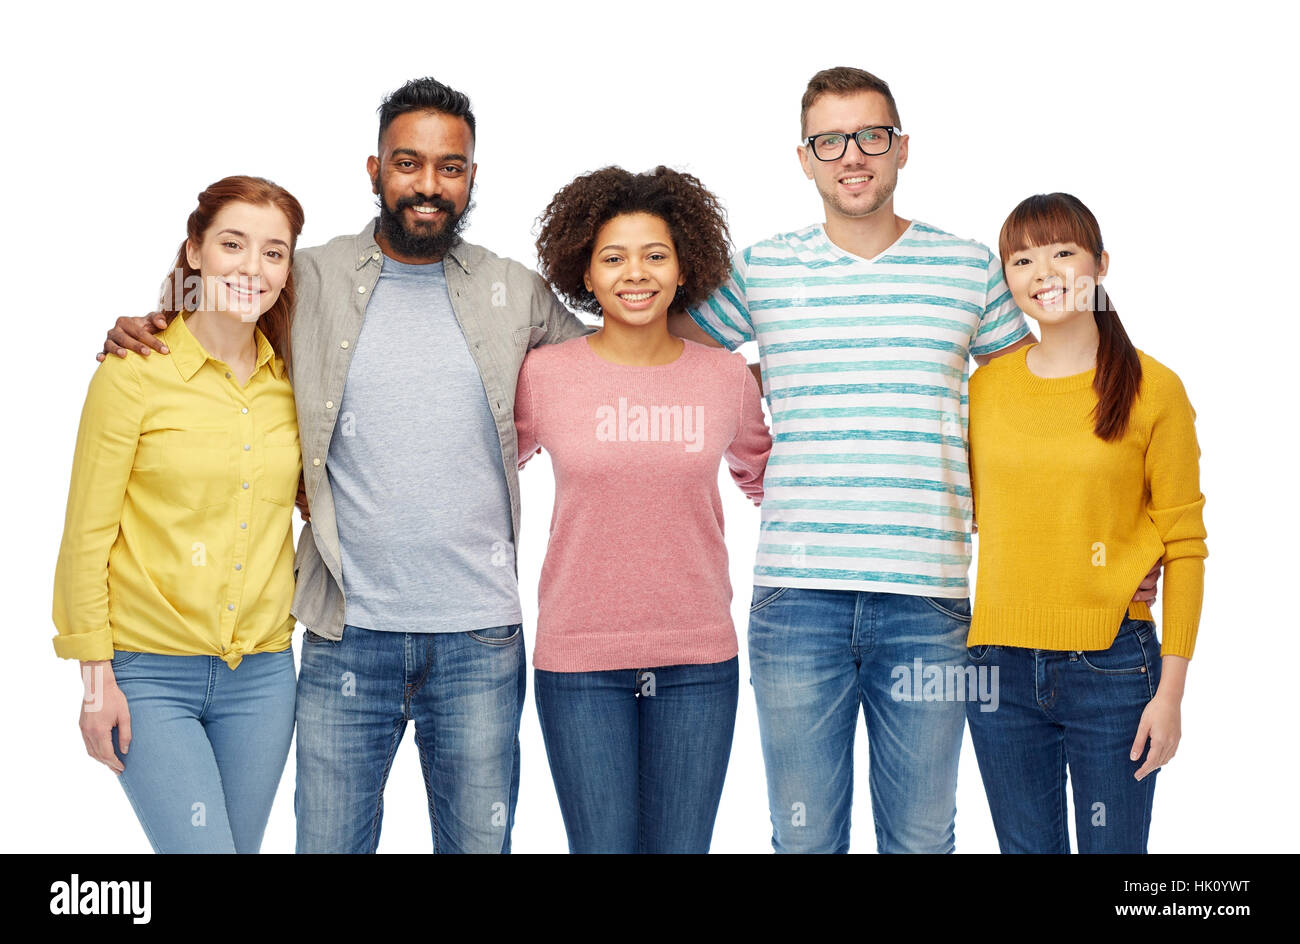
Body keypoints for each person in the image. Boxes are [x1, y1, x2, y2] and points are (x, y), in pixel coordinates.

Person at [668, 66, 1161, 854]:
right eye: (829, 140)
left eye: (871, 135)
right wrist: (749, 392)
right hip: (796, 600)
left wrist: (1117, 542)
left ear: (901, 150)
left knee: (924, 840)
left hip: (928, 603)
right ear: (804, 158)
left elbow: (1043, 406)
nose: (851, 155)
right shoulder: (760, 271)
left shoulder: (969, 270)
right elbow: (665, 356)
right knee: (804, 841)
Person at [516, 166, 771, 853]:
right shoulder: (544, 376)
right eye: (614, 257)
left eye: (655, 255)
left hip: (697, 661)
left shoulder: (725, 377)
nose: (637, 273)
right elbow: (482, 473)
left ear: (684, 267)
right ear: (586, 274)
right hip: (579, 663)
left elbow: (766, 478)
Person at [54, 175, 305, 853]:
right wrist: (92, 680)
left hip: (263, 677)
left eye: (274, 252)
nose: (253, 267)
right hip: (148, 675)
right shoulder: (133, 372)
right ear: (194, 251)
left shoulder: (296, 386)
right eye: (233, 244)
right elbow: (85, 536)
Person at [964, 192, 1207, 854]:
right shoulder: (984, 391)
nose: (1043, 270)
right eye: (1021, 258)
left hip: (1112, 670)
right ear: (1007, 278)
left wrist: (1171, 693)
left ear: (1100, 264)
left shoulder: (1155, 389)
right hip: (996, 670)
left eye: (1062, 251)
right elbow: (972, 513)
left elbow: (1185, 546)